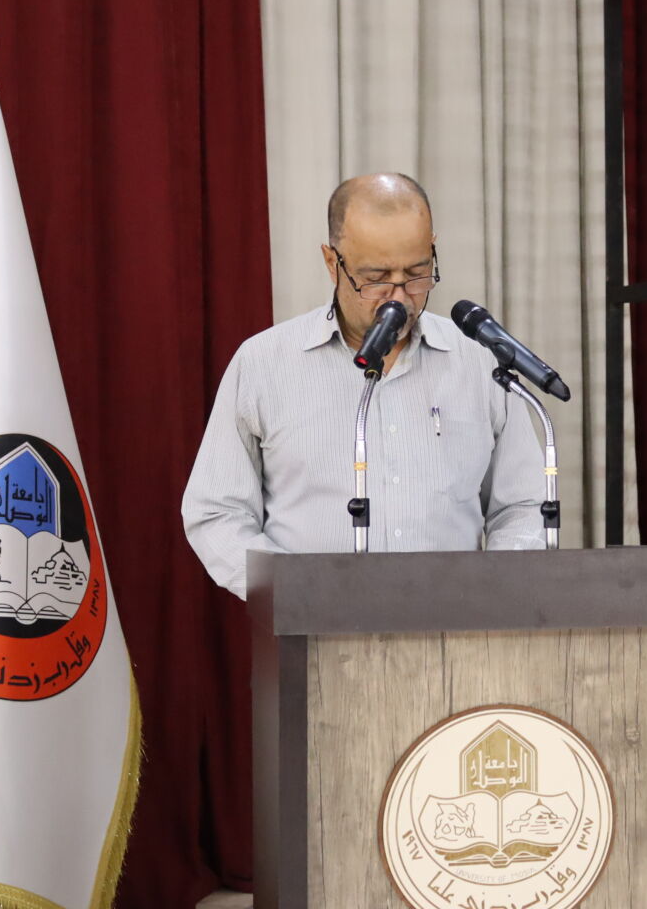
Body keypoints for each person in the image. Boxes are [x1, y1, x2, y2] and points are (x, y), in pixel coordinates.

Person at [181, 172, 546, 599]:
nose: (399, 297)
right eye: (376, 278)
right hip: (313, 637)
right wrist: (293, 595)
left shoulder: (478, 361)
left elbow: (524, 505)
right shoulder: (264, 363)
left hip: (455, 636)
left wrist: (491, 590)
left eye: (417, 273)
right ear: (332, 262)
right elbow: (216, 512)